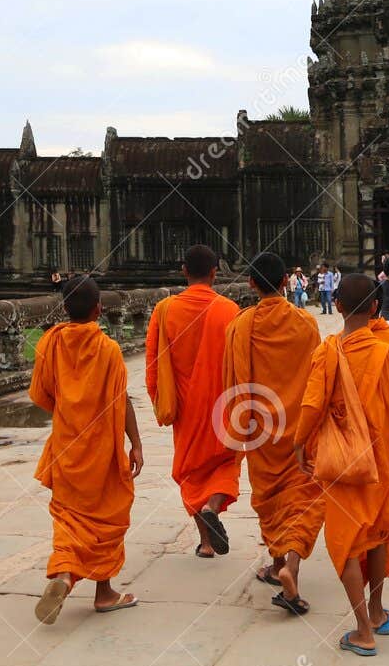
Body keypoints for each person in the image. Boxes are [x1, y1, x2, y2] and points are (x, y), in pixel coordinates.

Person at [294, 275, 389, 657]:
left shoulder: (328, 351)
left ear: (336, 306)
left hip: (342, 464)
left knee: (347, 544)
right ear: (374, 308)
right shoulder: (387, 353)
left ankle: (363, 631)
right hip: (378, 463)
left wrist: (301, 442)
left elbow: (312, 405)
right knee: (377, 534)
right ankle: (377, 610)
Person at [30, 273, 143, 622]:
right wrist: (136, 444)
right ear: (98, 309)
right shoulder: (108, 349)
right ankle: (104, 593)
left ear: (64, 308)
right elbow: (121, 401)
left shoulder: (49, 343)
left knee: (68, 516)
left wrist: (69, 411)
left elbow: (42, 394)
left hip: (67, 445)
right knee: (105, 517)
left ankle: (64, 573)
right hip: (102, 450)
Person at [222, 252, 323, 615]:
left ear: (251, 283)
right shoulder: (307, 324)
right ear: (286, 283)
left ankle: (277, 562)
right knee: (303, 498)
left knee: (269, 499)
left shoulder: (239, 325)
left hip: (261, 428)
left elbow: (232, 382)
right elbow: (318, 378)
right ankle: (290, 568)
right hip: (299, 429)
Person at [145, 244, 241, 558]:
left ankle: (206, 543)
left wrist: (160, 399)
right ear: (215, 273)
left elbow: (153, 364)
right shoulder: (229, 310)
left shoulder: (165, 309)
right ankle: (214, 506)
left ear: (184, 272)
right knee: (225, 462)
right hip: (222, 407)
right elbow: (240, 362)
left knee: (193, 472)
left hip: (186, 408)